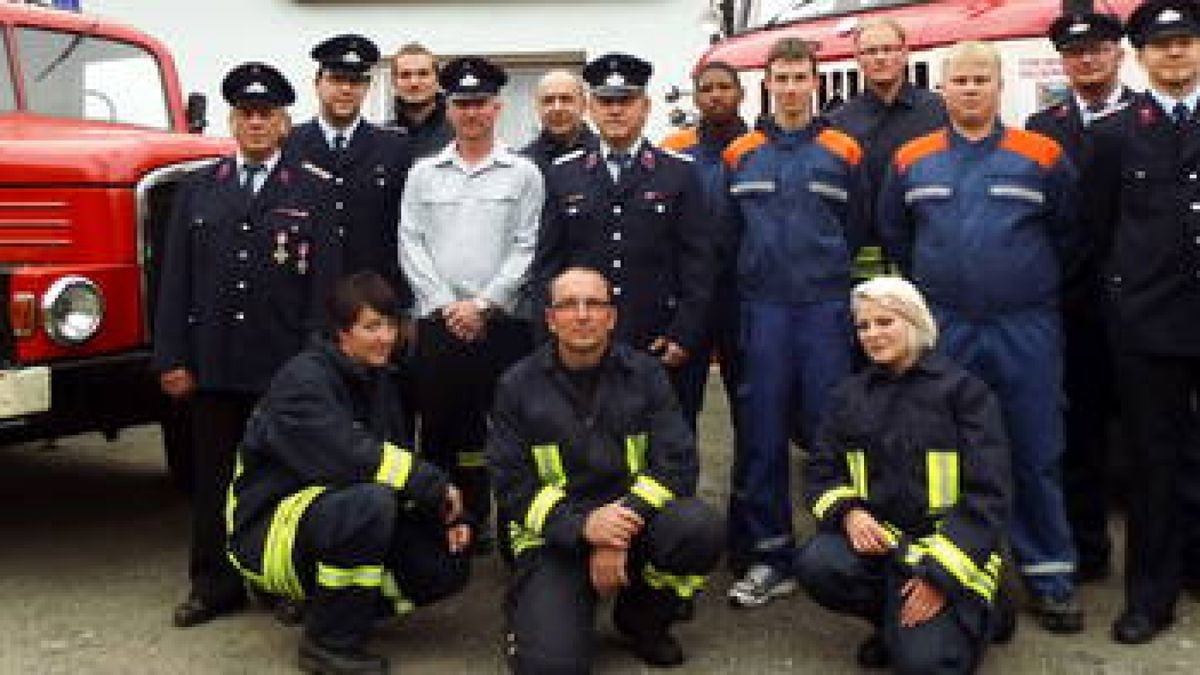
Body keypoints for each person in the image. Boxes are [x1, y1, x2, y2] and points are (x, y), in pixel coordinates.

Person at [878, 40, 1083, 633]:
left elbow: (1071, 237)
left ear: (1000, 87)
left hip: (1025, 328)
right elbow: (896, 237)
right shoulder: (911, 158)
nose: (969, 89)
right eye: (959, 80)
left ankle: (1049, 575)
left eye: (980, 79)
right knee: (945, 454)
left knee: (1035, 448)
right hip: (946, 326)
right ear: (943, 88)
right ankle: (961, 569)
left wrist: (1023, 286)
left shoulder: (1041, 155)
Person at [152, 62, 337, 628]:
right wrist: (172, 356)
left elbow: (324, 287)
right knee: (212, 480)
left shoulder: (313, 189)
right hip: (212, 362)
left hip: (282, 366)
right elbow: (174, 277)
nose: (256, 124)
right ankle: (213, 586)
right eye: (246, 114)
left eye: (268, 115)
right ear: (233, 121)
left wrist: (313, 364)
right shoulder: (199, 189)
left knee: (285, 479)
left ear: (285, 123)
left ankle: (281, 581)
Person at [228, 272, 471, 674]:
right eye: (371, 326)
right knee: (368, 503)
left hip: (332, 516)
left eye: (391, 325)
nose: (386, 338)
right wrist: (434, 484)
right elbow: (350, 457)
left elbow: (395, 459)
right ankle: (327, 644)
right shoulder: (303, 381)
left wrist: (447, 515)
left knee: (448, 557)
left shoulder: (378, 380)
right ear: (341, 331)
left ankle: (332, 609)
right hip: (269, 531)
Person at [489, 267, 723, 672]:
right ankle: (531, 606)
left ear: (611, 316)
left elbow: (678, 464)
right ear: (550, 319)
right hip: (554, 538)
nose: (582, 315)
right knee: (550, 667)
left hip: (632, 524)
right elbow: (512, 484)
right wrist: (583, 527)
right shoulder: (517, 386)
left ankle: (643, 619)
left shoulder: (647, 375)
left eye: (594, 304)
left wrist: (615, 531)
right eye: (568, 305)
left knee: (698, 526)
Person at [796, 276, 1011, 674]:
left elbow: (990, 495)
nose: (872, 335)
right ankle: (895, 624)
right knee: (818, 562)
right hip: (887, 549)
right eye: (863, 326)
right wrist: (848, 512)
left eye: (885, 322)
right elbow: (821, 471)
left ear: (914, 322)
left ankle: (982, 611)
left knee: (926, 665)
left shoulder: (965, 394)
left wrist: (941, 579)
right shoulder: (847, 396)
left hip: (948, 551)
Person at [720, 37, 865, 606]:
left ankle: (837, 552)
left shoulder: (844, 150)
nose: (789, 87)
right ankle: (771, 556)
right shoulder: (742, 153)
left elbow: (861, 231)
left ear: (816, 82)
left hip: (826, 311)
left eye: (799, 77)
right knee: (761, 436)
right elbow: (728, 237)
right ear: (768, 84)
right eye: (779, 78)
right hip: (763, 312)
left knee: (832, 432)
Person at [1081, 0, 1200, 645]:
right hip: (1148, 326)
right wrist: (1123, 305)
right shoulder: (1114, 133)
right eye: (1162, 45)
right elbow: (1098, 234)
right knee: (1153, 465)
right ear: (1142, 56)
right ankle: (1151, 597)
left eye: (1186, 41)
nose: (1175, 53)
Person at [399, 56, 543, 548]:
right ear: (448, 109)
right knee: (440, 429)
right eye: (461, 104)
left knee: (507, 431)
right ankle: (447, 524)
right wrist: (446, 306)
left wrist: (484, 305)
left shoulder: (524, 173)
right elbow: (411, 243)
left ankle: (513, 530)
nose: (471, 113)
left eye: (480, 103)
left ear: (497, 107)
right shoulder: (423, 173)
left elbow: (528, 245)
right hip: (440, 322)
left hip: (503, 324)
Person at [532, 52, 715, 425]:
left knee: (665, 446)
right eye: (605, 101)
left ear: (645, 107)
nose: (615, 110)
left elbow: (699, 261)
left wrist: (684, 333)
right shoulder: (563, 175)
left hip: (658, 340)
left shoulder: (678, 173)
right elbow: (549, 263)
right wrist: (549, 331)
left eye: (625, 101)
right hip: (583, 338)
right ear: (590, 108)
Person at [1025, 9, 1132, 584]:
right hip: (1070, 303)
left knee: (1158, 437)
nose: (1086, 59)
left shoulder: (1147, 117)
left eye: (1097, 49)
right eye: (1075, 52)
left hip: (1142, 302)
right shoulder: (1042, 127)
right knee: (1081, 434)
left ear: (1119, 53)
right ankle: (1088, 549)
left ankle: (1174, 559)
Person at [286, 34, 415, 315]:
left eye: (355, 81)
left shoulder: (395, 147)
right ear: (317, 83)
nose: (345, 89)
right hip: (303, 297)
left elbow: (406, 230)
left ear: (367, 87)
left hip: (373, 301)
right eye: (336, 79)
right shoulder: (289, 144)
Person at [659, 61, 748, 433]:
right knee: (681, 405)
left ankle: (746, 493)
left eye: (724, 87)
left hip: (742, 295)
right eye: (707, 89)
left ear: (740, 94)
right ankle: (681, 490)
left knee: (749, 403)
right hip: (690, 297)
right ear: (695, 97)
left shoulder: (758, 147)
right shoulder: (674, 150)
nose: (715, 96)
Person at [828, 18, 946, 233]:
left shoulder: (941, 112)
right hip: (865, 253)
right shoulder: (838, 123)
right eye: (870, 51)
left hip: (928, 246)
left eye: (888, 49)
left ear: (904, 53)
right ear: (858, 58)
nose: (880, 58)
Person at [521, 69, 598, 173]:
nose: (557, 108)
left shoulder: (605, 154)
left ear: (584, 104)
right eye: (548, 100)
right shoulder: (524, 163)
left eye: (566, 99)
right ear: (537, 107)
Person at [389, 42, 454, 158]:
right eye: (405, 75)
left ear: (437, 80)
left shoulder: (460, 135)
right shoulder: (381, 138)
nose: (414, 82)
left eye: (423, 74)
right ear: (394, 82)